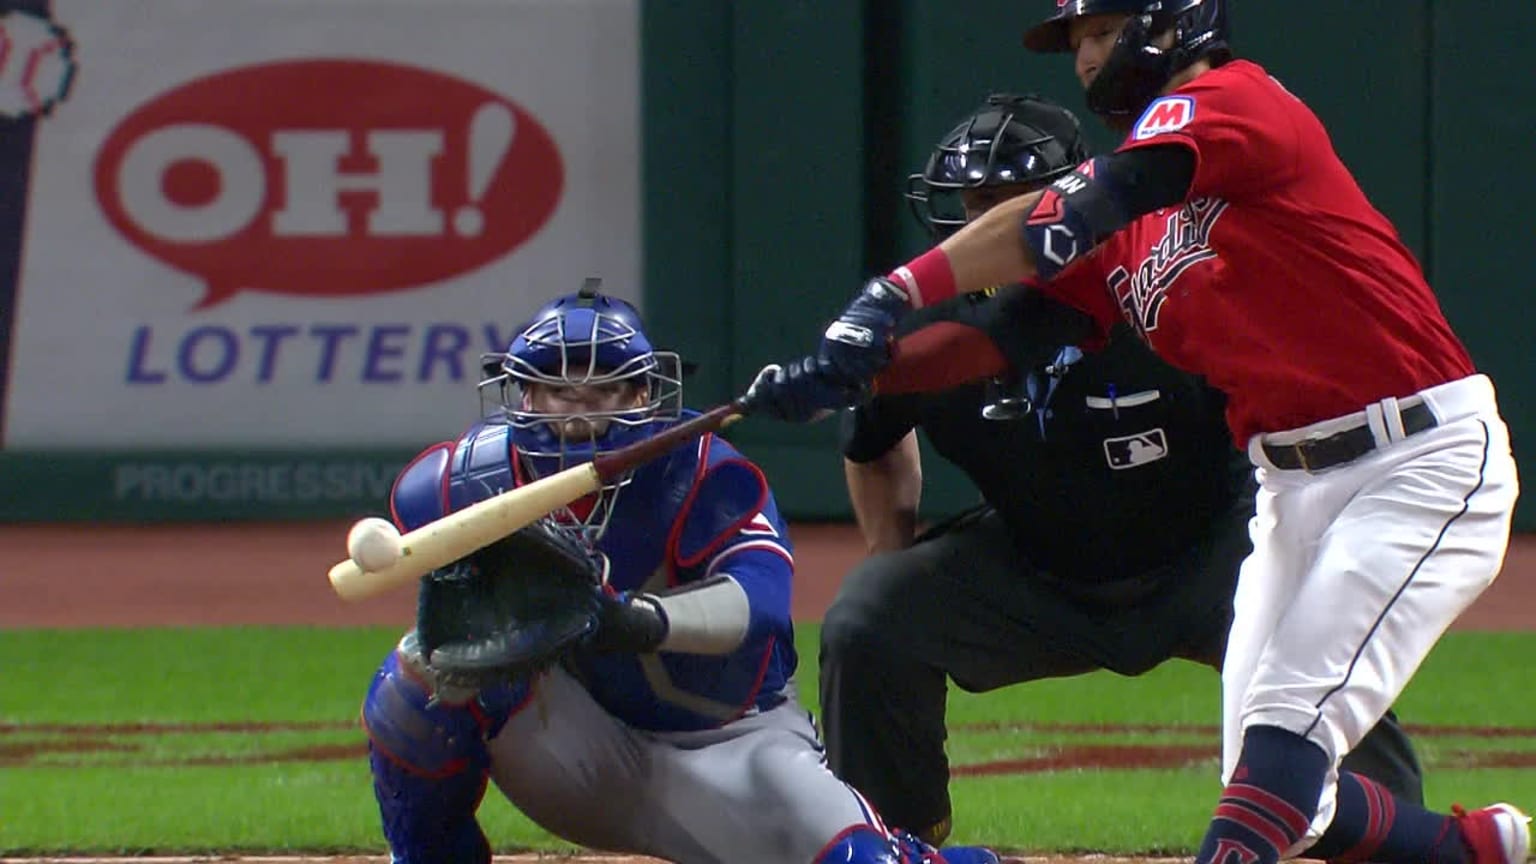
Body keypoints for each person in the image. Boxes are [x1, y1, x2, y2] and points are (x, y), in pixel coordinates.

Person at [747, 3, 1527, 864]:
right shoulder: (1133, 233)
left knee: (1281, 749)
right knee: (1297, 804)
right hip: (1293, 490)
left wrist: (890, 294)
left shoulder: (1232, 100)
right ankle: (1479, 847)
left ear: (1168, 19)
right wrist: (859, 369)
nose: (1084, 56)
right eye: (1075, 40)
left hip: (1414, 462)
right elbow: (999, 335)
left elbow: (1066, 212)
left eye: (1098, 30)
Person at [810, 92, 1425, 848]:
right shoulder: (923, 325)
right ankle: (894, 839)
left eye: (1004, 202)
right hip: (1035, 570)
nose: (980, 223)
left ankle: (1401, 839)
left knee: (1325, 624)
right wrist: (892, 551)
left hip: (1211, 555)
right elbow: (873, 444)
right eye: (969, 201)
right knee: (872, 614)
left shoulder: (1160, 288)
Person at [358, 281, 1000, 864]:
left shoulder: (705, 477)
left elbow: (759, 608)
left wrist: (632, 619)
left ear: (643, 394)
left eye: (602, 388)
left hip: (732, 746)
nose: (576, 412)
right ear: (522, 394)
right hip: (580, 749)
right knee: (419, 676)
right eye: (556, 387)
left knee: (862, 862)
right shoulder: (461, 484)